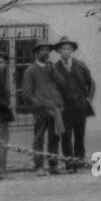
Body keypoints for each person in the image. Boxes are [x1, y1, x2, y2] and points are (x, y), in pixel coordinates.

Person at [21, 40, 66, 175]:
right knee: (39, 139)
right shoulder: (31, 70)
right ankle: (39, 167)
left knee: (54, 138)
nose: (46, 52)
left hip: (55, 107)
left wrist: (53, 71)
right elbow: (26, 93)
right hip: (41, 109)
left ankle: (53, 166)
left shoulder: (51, 67)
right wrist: (39, 104)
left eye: (48, 50)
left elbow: (62, 82)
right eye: (42, 50)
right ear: (36, 53)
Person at [54, 36, 95, 173]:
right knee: (66, 137)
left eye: (68, 49)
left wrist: (88, 98)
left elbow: (91, 83)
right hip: (65, 108)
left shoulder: (80, 65)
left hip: (80, 106)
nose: (66, 51)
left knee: (79, 135)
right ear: (59, 51)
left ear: (72, 50)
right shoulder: (55, 68)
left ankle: (79, 161)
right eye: (63, 49)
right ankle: (69, 165)